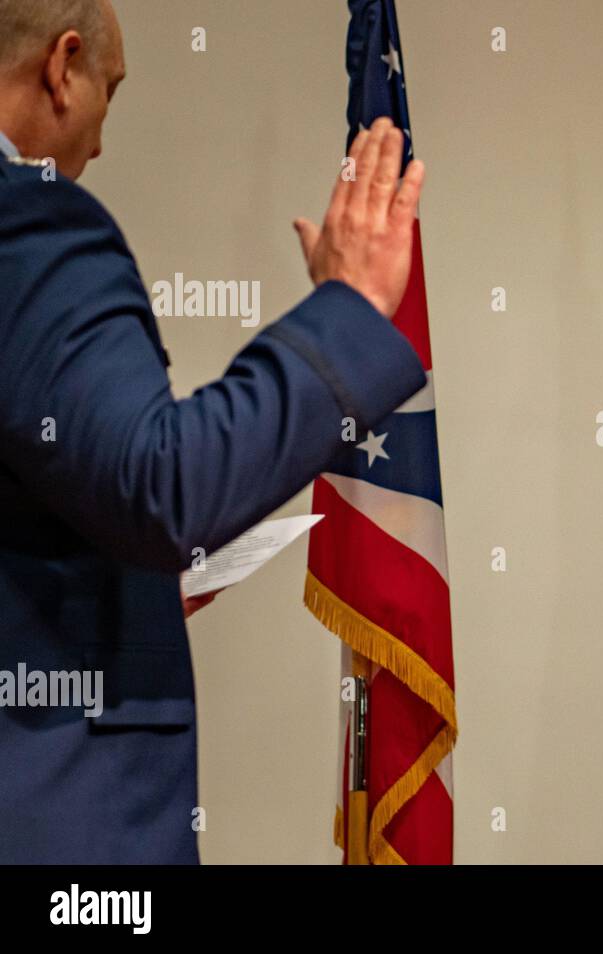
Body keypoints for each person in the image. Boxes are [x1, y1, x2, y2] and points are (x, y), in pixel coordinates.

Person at [0, 0, 428, 862]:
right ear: (63, 66)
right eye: (108, 97)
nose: (99, 145)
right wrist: (347, 314)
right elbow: (163, 487)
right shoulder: (31, 224)